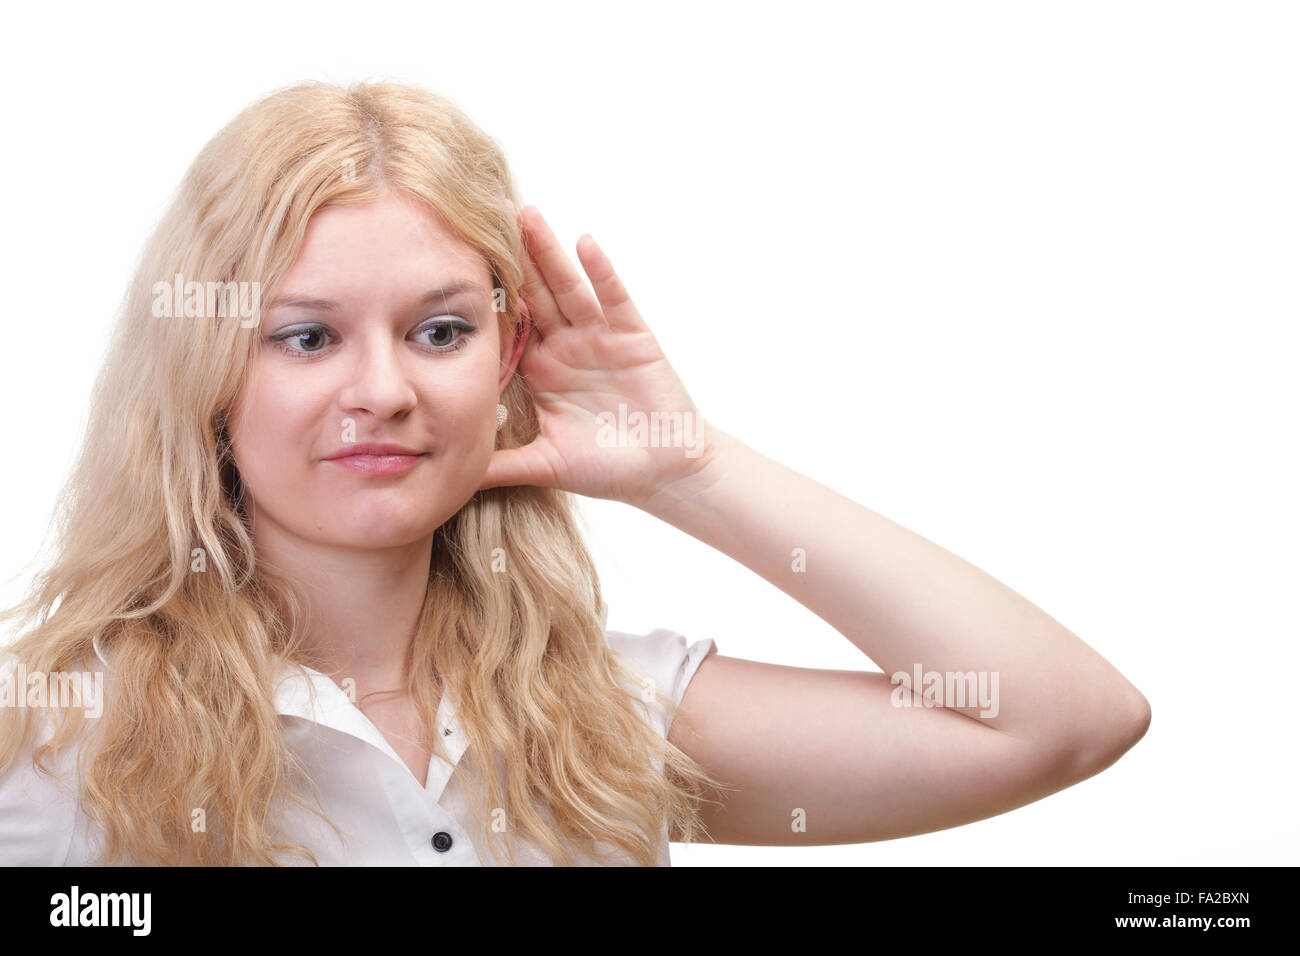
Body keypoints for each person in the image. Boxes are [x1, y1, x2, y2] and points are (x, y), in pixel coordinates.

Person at [0, 80, 1150, 866]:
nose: (386, 390)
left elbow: (1060, 719)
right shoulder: (51, 736)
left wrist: (685, 469)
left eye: (439, 331)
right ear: (205, 363)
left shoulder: (606, 712)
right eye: (307, 336)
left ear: (507, 355)